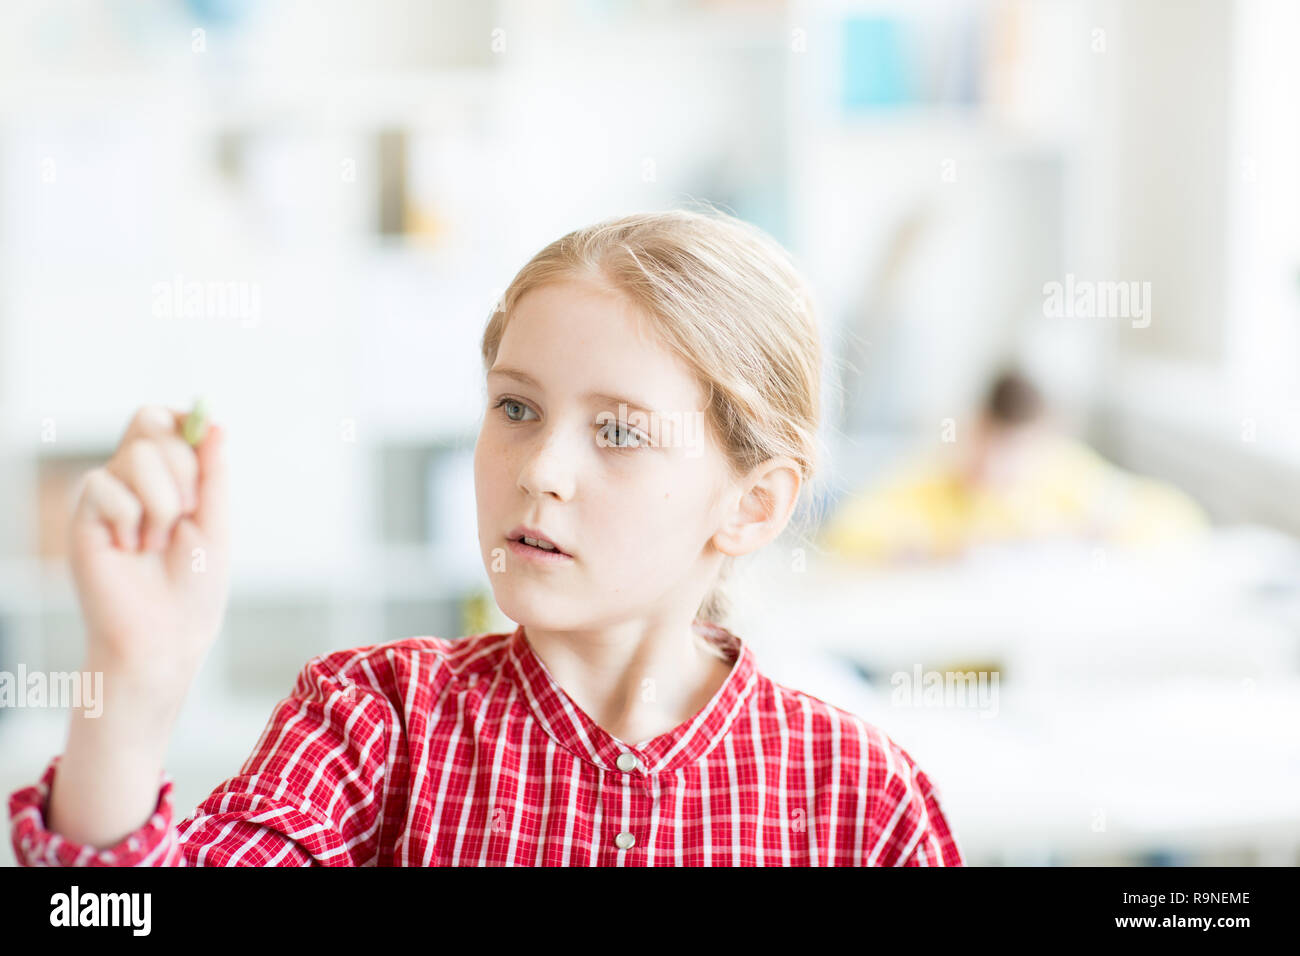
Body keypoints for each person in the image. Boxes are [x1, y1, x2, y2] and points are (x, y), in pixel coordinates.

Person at [9, 207, 964, 866]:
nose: (540, 467)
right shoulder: (373, 723)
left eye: (620, 431)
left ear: (753, 504)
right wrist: (128, 695)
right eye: (516, 407)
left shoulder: (861, 801)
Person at [818, 369, 1209, 563]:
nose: (1000, 465)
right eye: (992, 443)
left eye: (1018, 451)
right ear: (974, 426)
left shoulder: (1062, 476)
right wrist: (937, 549)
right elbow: (844, 538)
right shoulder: (927, 479)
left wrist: (1096, 531)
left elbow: (1180, 522)